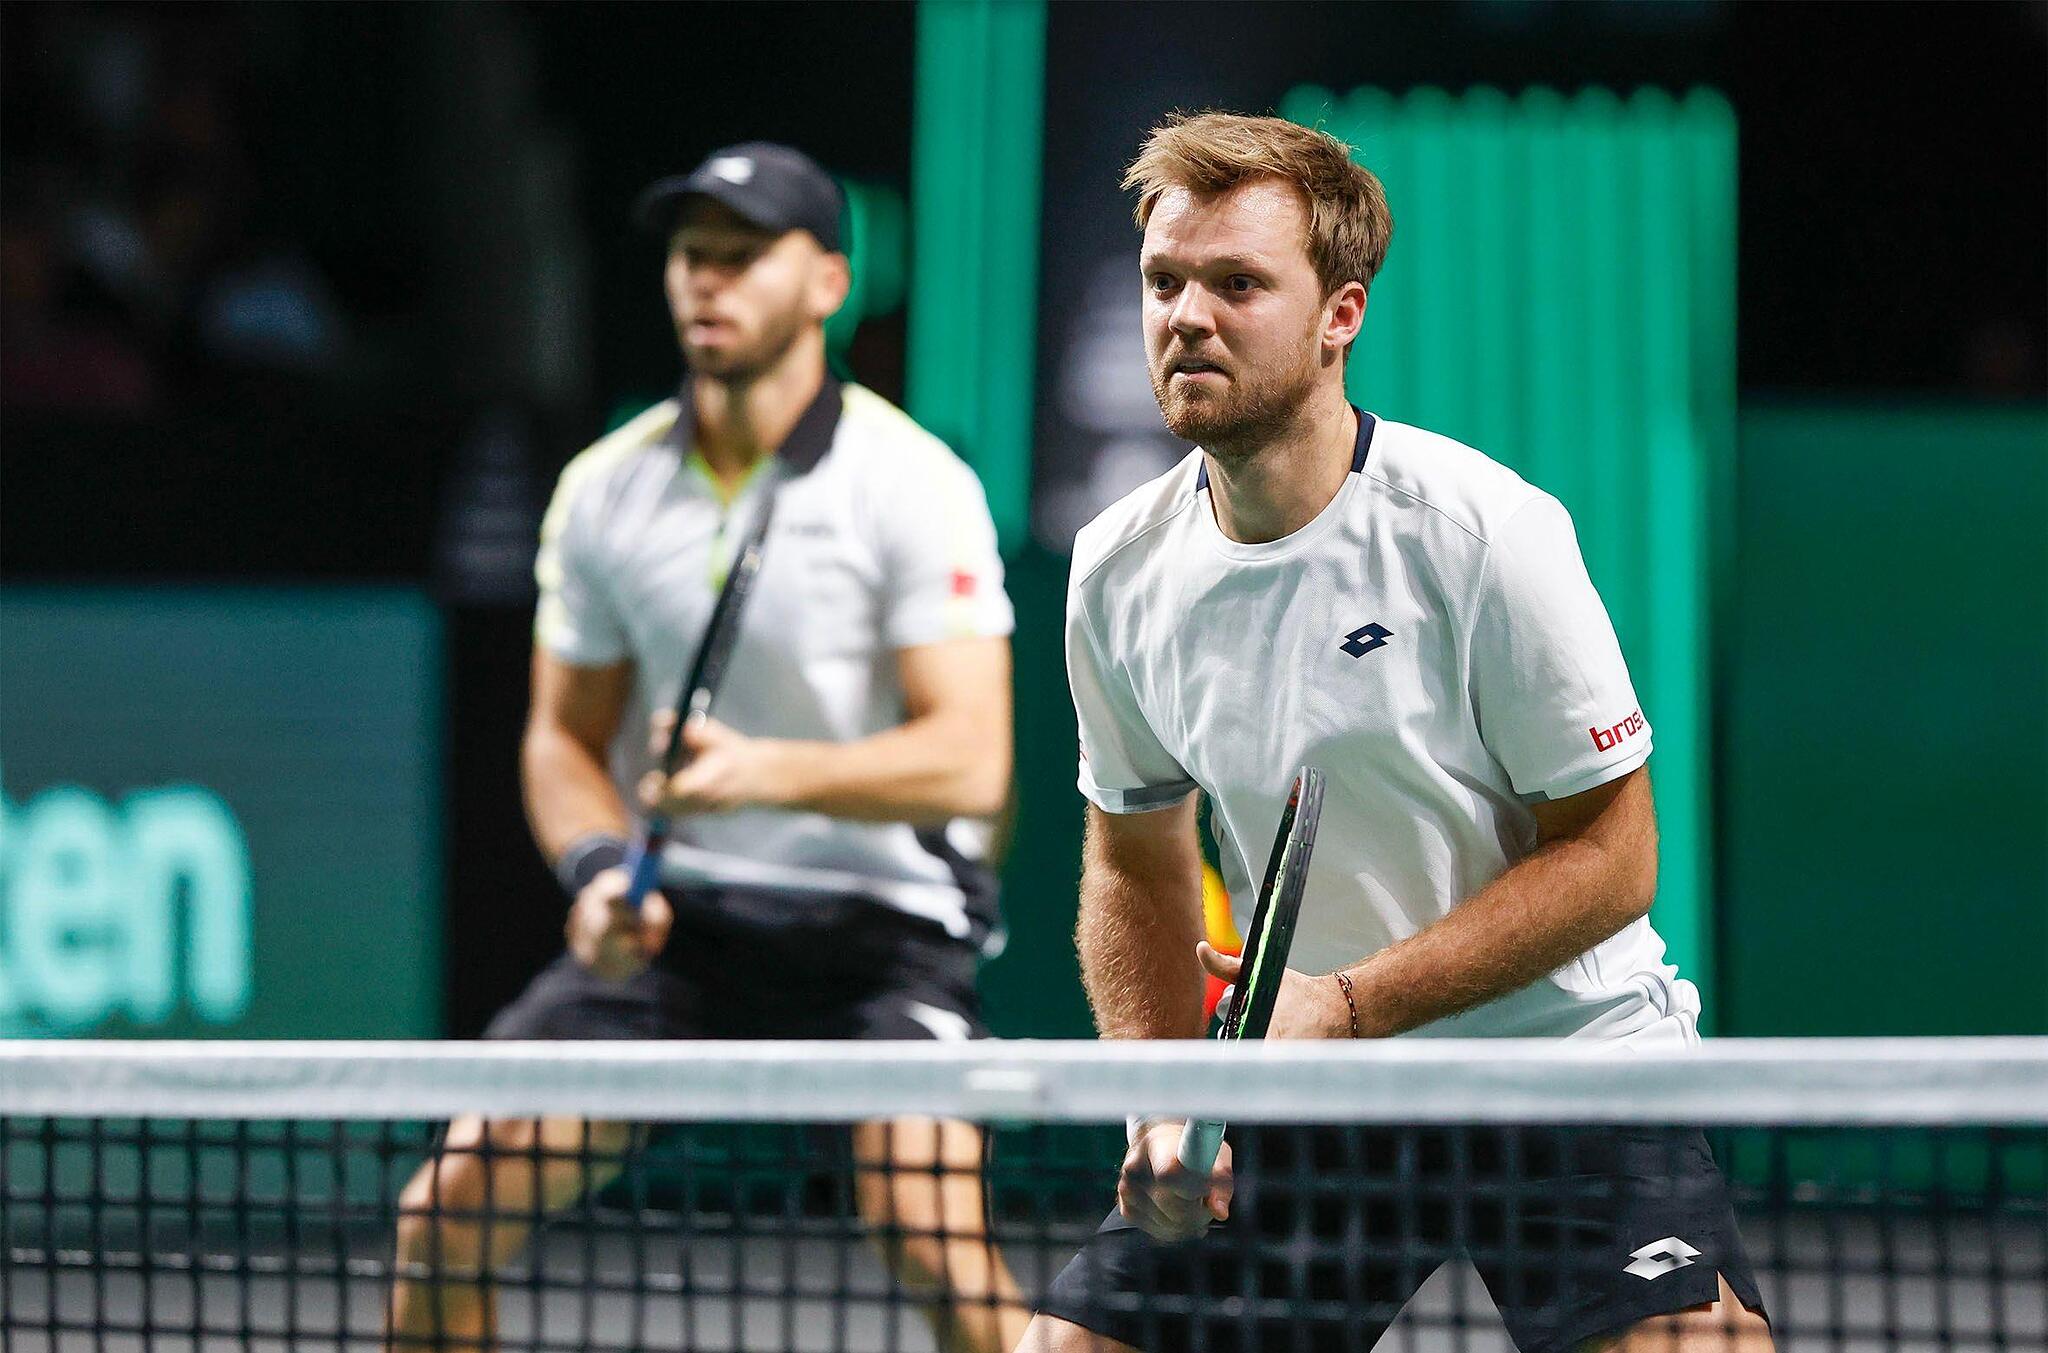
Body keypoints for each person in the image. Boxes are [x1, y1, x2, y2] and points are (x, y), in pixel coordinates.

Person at [1022, 114, 1775, 1352]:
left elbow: (1610, 857)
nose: (1186, 317)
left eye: (1236, 283)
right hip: (1318, 1092)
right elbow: (1132, 861)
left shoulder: (1481, 533)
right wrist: (1159, 1096)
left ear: (1339, 315)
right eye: (1164, 282)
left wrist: (1354, 1001)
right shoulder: (1116, 571)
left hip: (1560, 1073)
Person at [390, 141, 1029, 1353]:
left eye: (741, 257)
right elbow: (561, 743)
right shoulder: (604, 490)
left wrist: (766, 772)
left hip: (882, 936)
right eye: (691, 256)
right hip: (676, 930)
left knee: (933, 1240)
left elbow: (971, 762)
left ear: (827, 284)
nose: (705, 282)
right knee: (443, 1215)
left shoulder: (911, 483)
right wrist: (591, 874)